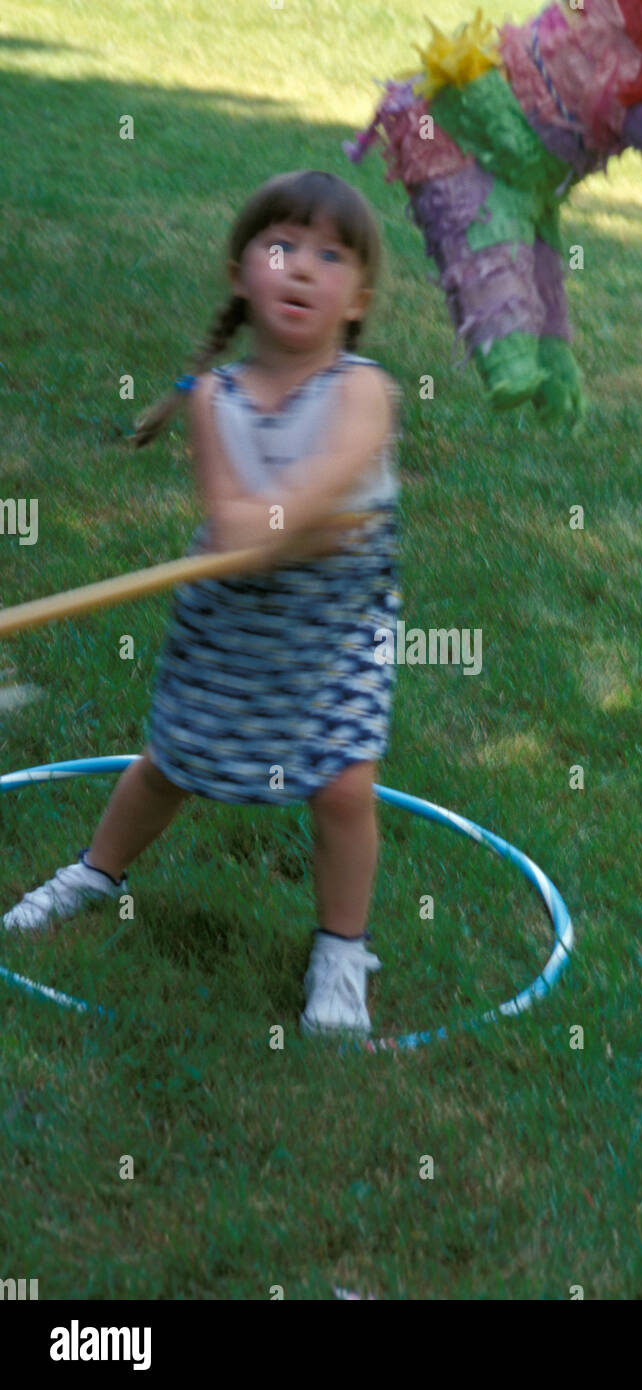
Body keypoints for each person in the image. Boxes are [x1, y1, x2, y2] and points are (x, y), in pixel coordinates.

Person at [3, 169, 404, 1038]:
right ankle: (94, 874)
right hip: (231, 620)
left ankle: (342, 949)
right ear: (239, 273)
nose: (301, 269)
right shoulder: (214, 398)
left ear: (358, 297)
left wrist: (289, 527)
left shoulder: (365, 391)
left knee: (343, 786)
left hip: (336, 632)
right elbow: (234, 526)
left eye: (329, 256)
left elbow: (321, 480)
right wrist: (299, 531)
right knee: (174, 762)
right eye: (280, 246)